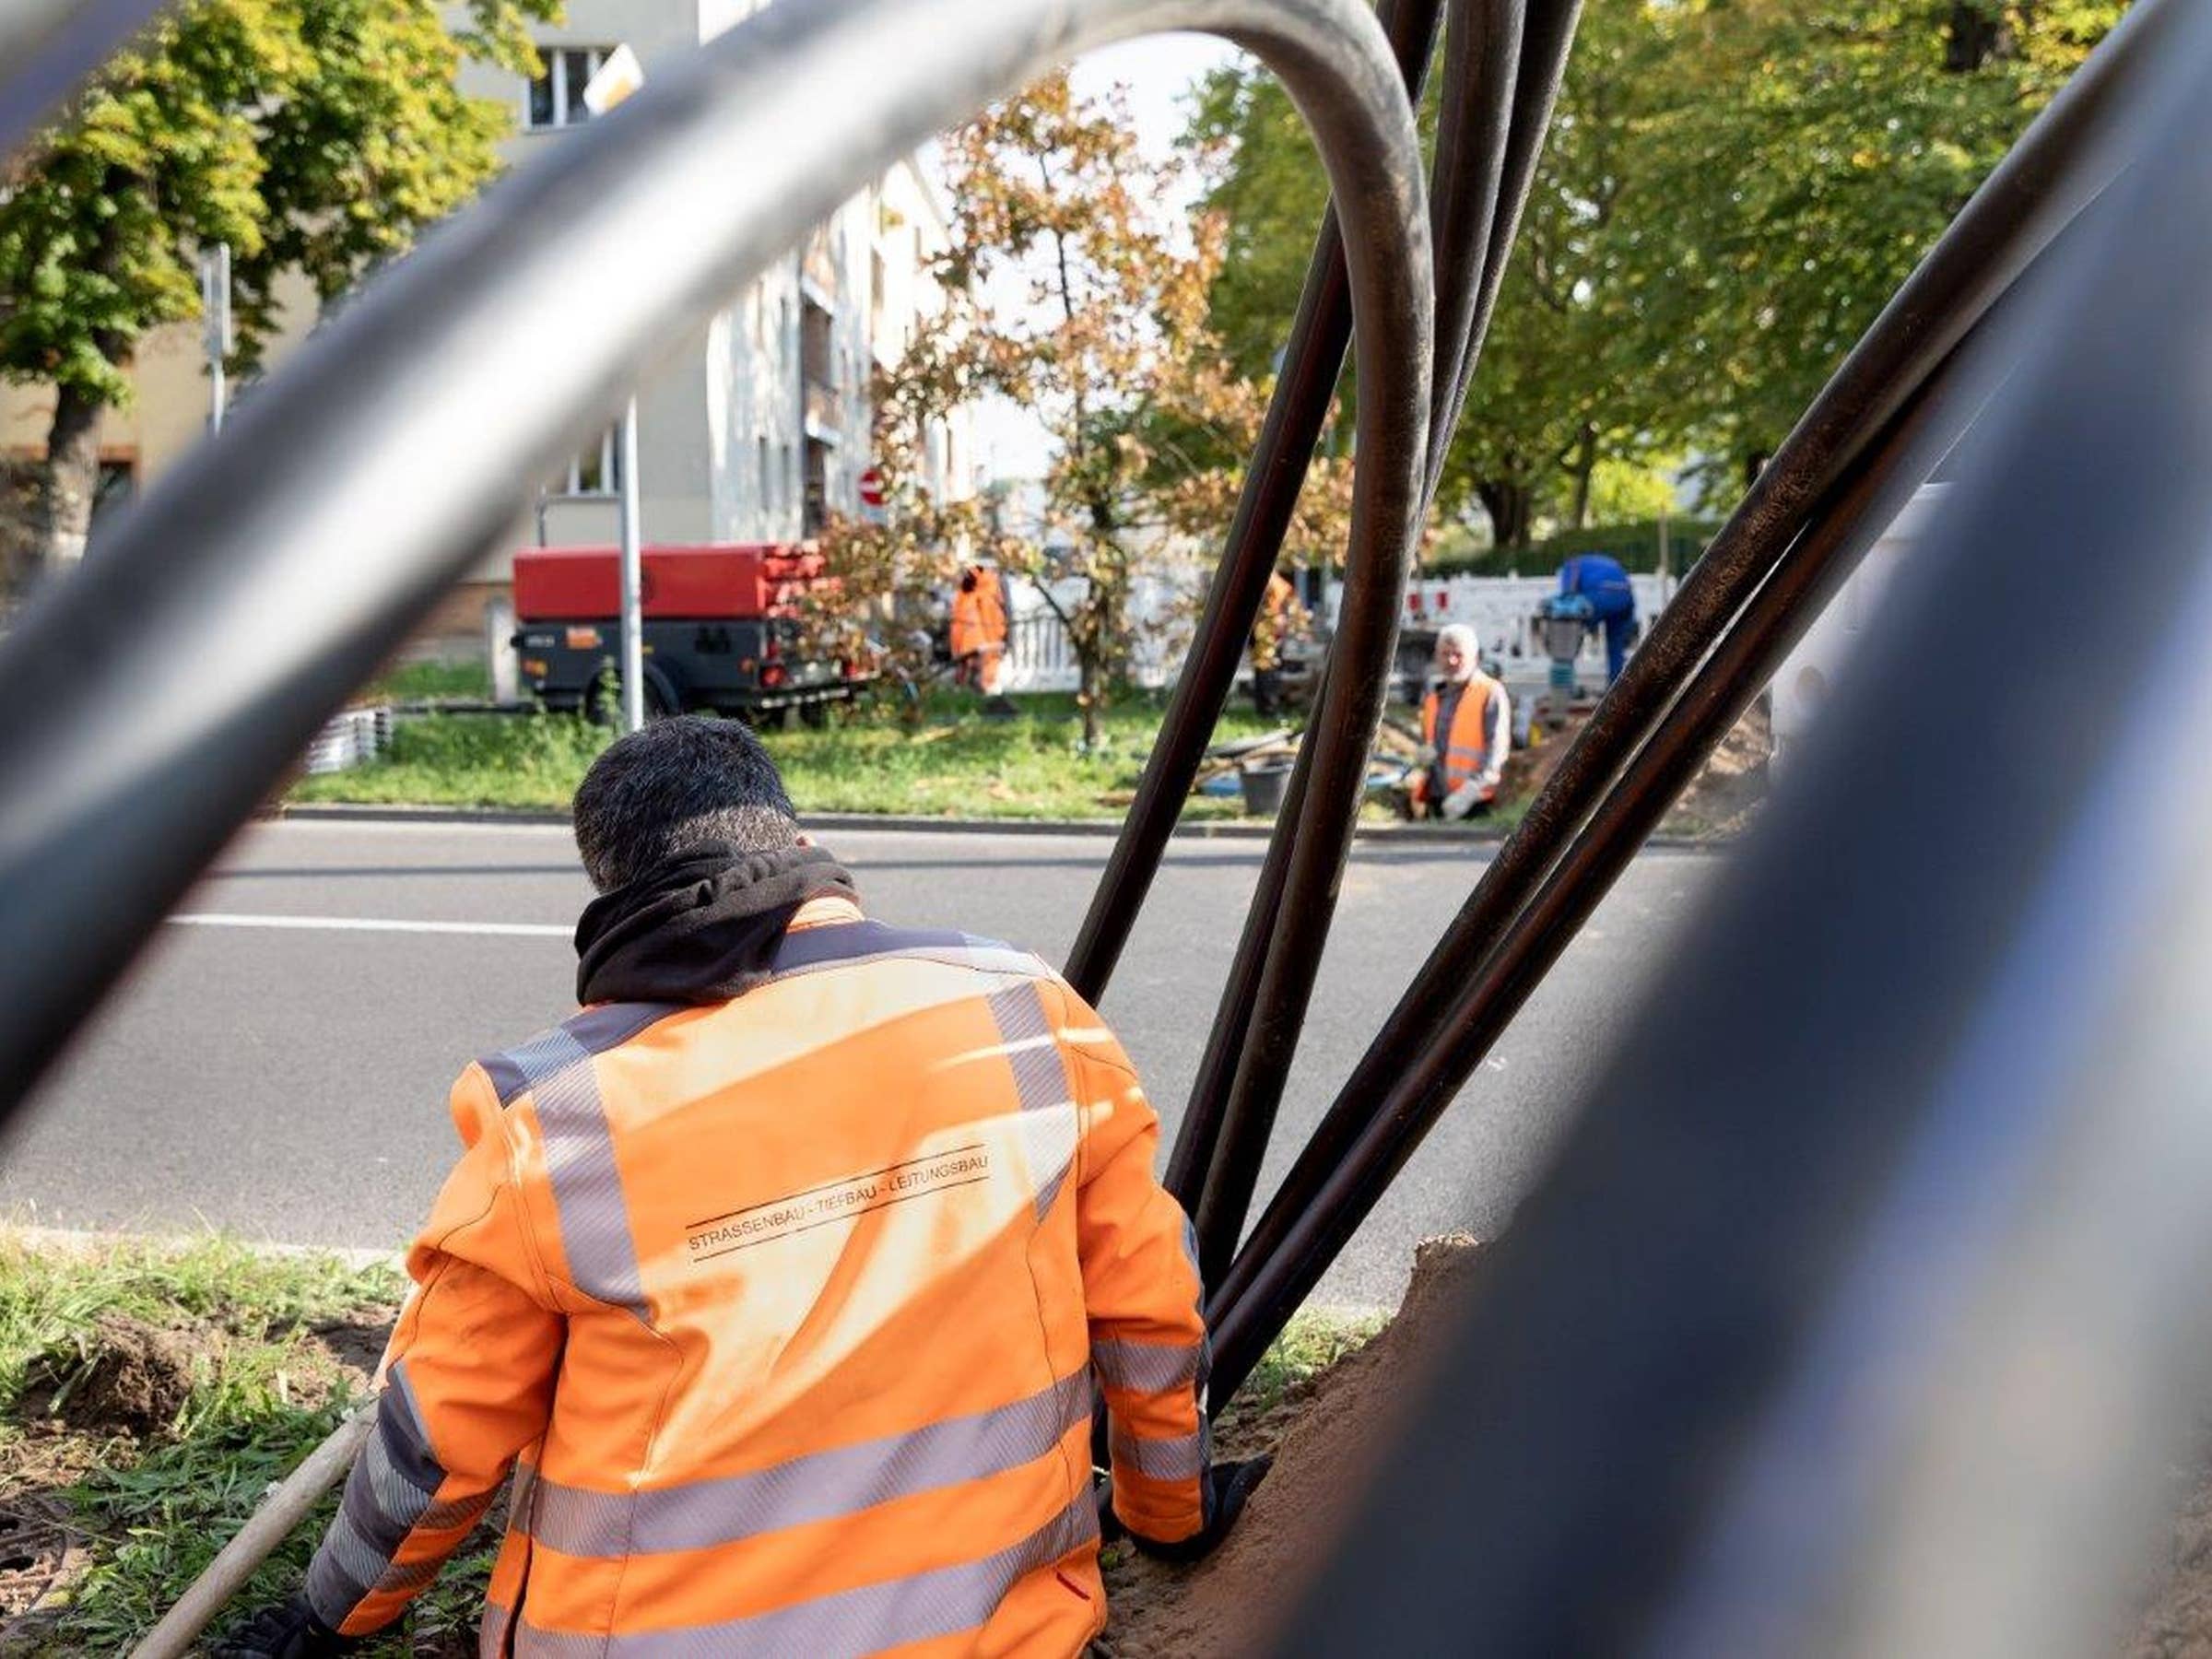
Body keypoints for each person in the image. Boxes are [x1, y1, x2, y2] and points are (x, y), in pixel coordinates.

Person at [219, 716, 1264, 1657]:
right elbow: (1147, 1312)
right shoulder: (1032, 1014)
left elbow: (439, 1443)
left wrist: (327, 1620)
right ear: (797, 843)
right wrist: (1171, 1519)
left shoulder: (557, 1117)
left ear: (613, 893)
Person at [1406, 622, 1509, 820]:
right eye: (1445, 654)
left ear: (1475, 658)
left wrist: (1469, 793)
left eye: (1458, 655)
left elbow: (1496, 753)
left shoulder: (1490, 692)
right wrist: (1423, 752)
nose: (1451, 661)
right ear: (1437, 656)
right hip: (1437, 797)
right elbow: (1428, 738)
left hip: (1473, 802)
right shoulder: (1434, 695)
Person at [1556, 550, 1639, 684]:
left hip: (1599, 595)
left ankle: (1566, 687)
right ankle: (1615, 689)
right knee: (1616, 645)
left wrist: (1583, 625)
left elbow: (1568, 595)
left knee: (1569, 638)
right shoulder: (1605, 562)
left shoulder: (1572, 564)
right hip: (1625, 599)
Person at [1248, 568, 1308, 717]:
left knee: (1266, 671)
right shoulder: (1277, 584)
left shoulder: (1276, 585)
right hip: (1266, 633)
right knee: (1267, 671)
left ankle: (1266, 707)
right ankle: (1268, 708)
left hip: (1267, 632)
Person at [949, 563, 1008, 693]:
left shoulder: (969, 595)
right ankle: (980, 685)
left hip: (972, 643)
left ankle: (971, 686)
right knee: (980, 664)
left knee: (972, 664)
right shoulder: (983, 593)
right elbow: (993, 621)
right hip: (978, 643)